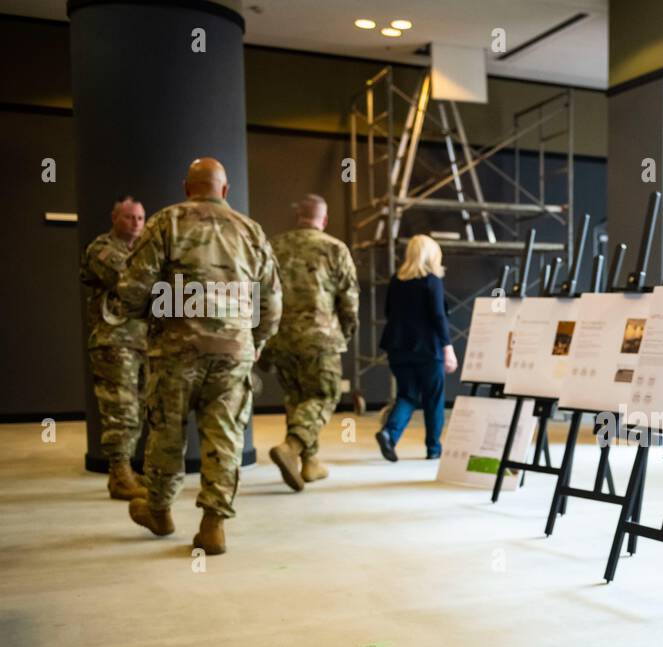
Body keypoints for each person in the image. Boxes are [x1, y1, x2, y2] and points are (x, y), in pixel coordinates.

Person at [113, 157, 282, 555]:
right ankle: (213, 524)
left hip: (176, 350)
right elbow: (272, 301)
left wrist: (151, 317)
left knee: (166, 431)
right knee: (224, 435)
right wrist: (256, 339)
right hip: (233, 353)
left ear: (187, 187)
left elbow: (133, 289)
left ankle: (159, 510)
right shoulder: (251, 231)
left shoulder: (165, 222)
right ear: (225, 190)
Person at [263, 194, 359, 491]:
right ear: (324, 219)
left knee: (296, 398)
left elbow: (260, 295)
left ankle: (310, 462)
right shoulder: (334, 248)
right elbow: (349, 300)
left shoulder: (273, 247)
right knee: (324, 395)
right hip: (320, 338)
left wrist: (264, 337)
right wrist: (346, 332)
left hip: (281, 338)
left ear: (298, 217)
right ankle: (292, 447)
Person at [81, 195, 147, 500]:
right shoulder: (101, 249)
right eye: (129, 217)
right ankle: (119, 474)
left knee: (142, 409)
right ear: (114, 218)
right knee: (121, 409)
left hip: (142, 343)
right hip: (114, 342)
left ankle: (127, 473)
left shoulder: (144, 253)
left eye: (140, 218)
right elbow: (132, 284)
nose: (135, 223)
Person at [374, 235, 457, 461]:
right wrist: (448, 347)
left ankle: (389, 433)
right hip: (428, 349)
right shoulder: (432, 281)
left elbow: (388, 312)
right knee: (433, 399)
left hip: (398, 347)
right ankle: (433, 449)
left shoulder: (396, 280)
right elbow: (438, 316)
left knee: (407, 395)